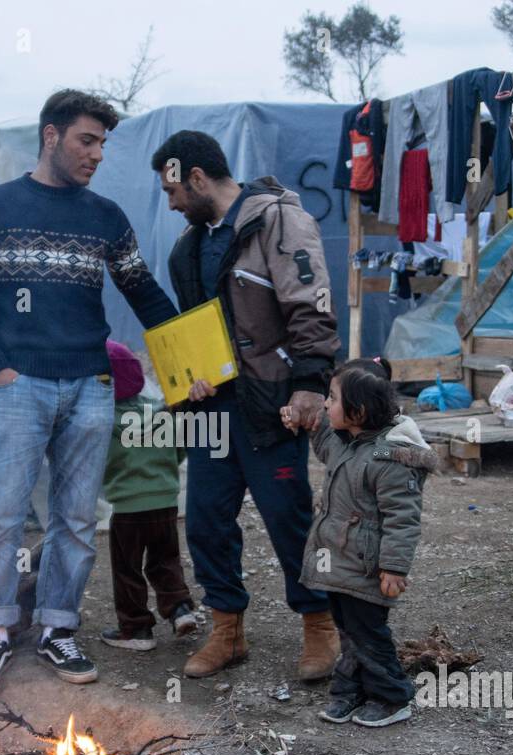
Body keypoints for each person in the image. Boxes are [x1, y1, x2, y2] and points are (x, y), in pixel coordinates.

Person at [0, 89, 178, 699]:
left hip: (90, 385)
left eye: (104, 143)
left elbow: (145, 294)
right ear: (51, 136)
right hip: (18, 386)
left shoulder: (104, 216)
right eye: (87, 139)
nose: (97, 154)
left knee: (76, 520)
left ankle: (58, 627)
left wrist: (195, 359)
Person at [150, 130, 342, 681]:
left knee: (288, 518)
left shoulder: (278, 220)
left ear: (196, 177)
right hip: (213, 412)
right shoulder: (188, 248)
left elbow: (312, 304)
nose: (170, 204)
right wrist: (193, 379)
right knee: (207, 521)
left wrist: (309, 384)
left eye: (172, 191)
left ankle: (319, 626)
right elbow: (196, 331)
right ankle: (227, 631)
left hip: (271, 402)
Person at [282, 358, 436, 727]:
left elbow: (403, 518)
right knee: (349, 632)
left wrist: (394, 568)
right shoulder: (346, 441)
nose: (325, 404)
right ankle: (349, 691)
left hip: (367, 565)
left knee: (368, 633)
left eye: (332, 399)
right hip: (338, 561)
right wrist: (303, 424)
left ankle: (392, 695)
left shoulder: (389, 458)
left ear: (359, 411)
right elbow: (324, 443)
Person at [99, 339, 199, 650]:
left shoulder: (103, 420)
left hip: (128, 509)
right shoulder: (162, 411)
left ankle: (136, 629)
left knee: (127, 568)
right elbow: (179, 452)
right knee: (165, 560)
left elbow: (95, 464)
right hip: (165, 503)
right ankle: (180, 609)